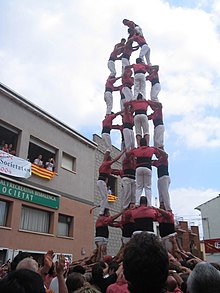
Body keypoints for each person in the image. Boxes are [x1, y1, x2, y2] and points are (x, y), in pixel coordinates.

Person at [127, 138, 167, 206]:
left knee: (139, 187)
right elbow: (158, 155)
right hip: (147, 168)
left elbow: (127, 154)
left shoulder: (136, 150)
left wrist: (132, 157)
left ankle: (137, 203)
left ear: (140, 143)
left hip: (138, 168)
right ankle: (149, 204)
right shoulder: (151, 149)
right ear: (146, 143)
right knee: (147, 187)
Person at [97, 151, 125, 215]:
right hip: (101, 182)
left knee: (104, 197)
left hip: (101, 182)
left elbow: (112, 171)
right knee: (105, 197)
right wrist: (122, 152)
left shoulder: (105, 166)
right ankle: (101, 211)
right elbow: (115, 159)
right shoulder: (106, 164)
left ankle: (103, 206)